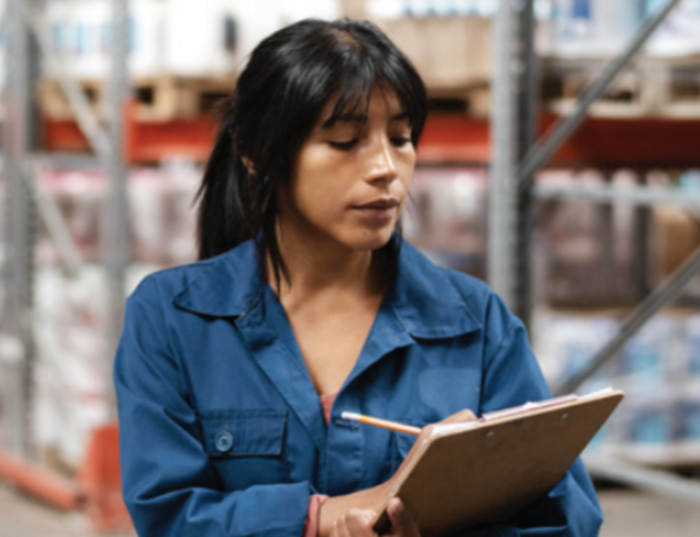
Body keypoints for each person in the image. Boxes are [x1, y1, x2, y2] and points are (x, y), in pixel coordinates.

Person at [114, 18, 603, 537]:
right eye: (346, 141)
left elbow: (566, 519)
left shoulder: (473, 323)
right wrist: (320, 518)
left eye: (401, 138)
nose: (385, 167)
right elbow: (168, 515)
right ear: (256, 153)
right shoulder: (174, 318)